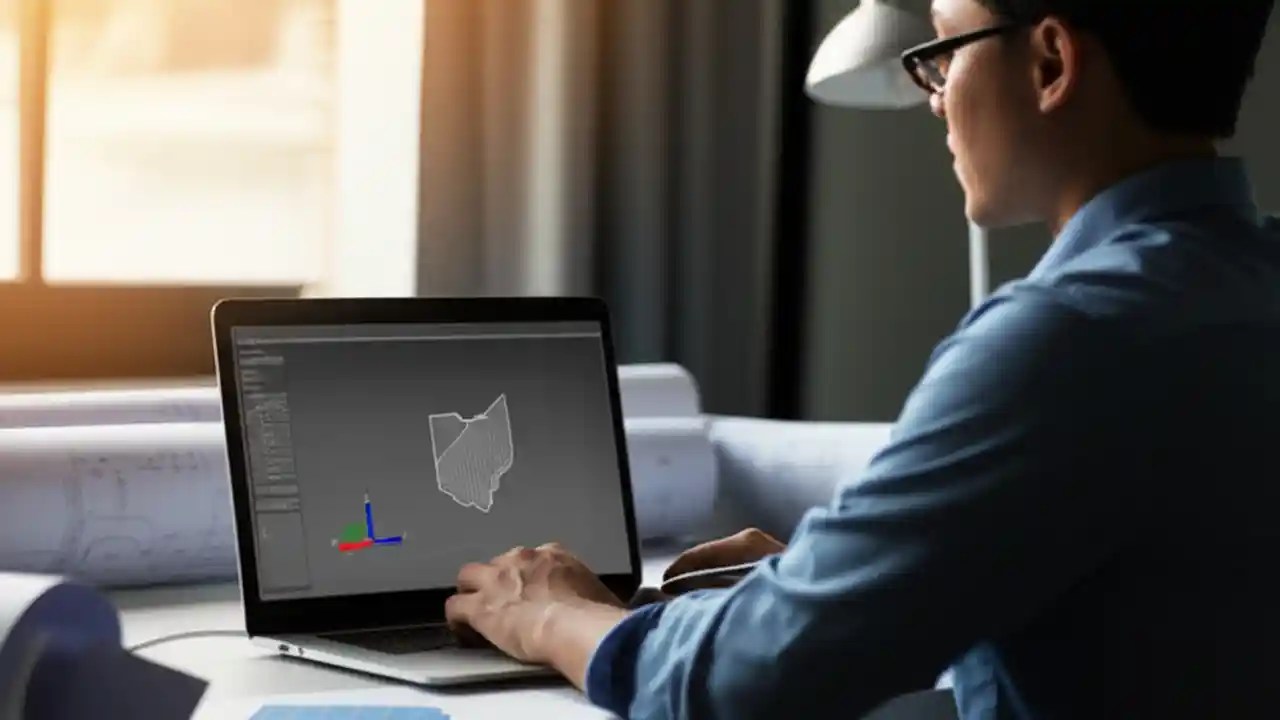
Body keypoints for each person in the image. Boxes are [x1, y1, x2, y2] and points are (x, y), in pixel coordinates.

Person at [445, 0, 1280, 717]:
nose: (936, 101)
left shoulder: (1066, 340)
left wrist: (551, 614)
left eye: (944, 53)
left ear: (1051, 61)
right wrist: (838, 587)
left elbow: (739, 687)